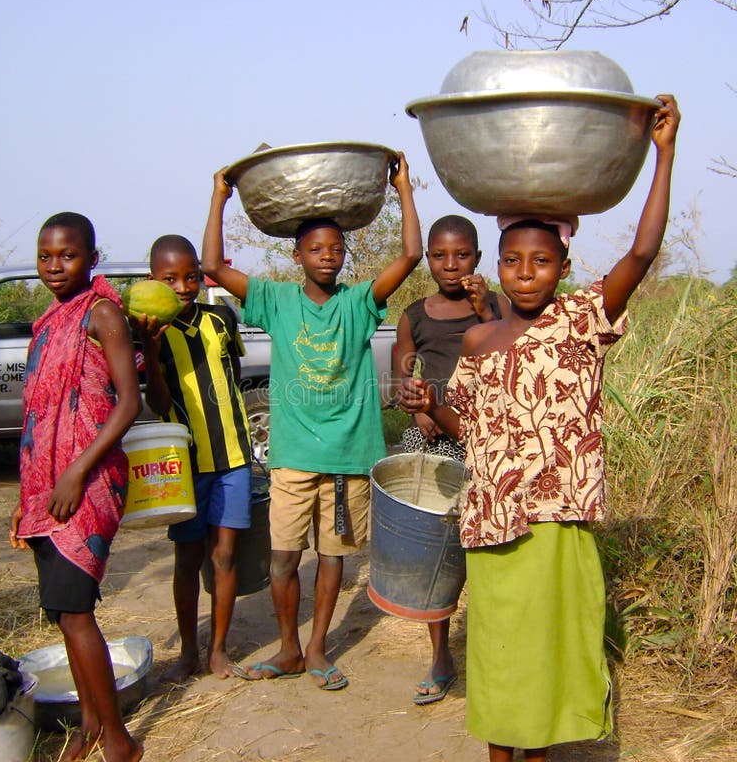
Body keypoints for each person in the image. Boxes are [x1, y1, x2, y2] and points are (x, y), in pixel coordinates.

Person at [400, 96, 680, 760]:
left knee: (551, 652)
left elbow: (642, 250)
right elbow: (464, 426)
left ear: (564, 268)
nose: (526, 274)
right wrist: (427, 403)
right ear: (497, 267)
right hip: (495, 518)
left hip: (560, 518)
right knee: (501, 656)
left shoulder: (582, 321)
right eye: (513, 262)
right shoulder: (477, 339)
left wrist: (664, 154)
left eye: (541, 262)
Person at [201, 152, 422, 690]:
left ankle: (318, 647)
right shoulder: (275, 301)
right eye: (317, 249)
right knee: (282, 560)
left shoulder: (359, 303)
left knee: (332, 558)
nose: (329, 257)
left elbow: (411, 253)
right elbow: (212, 267)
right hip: (294, 456)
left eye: (337, 248)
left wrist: (404, 188)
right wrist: (219, 195)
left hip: (348, 456)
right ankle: (288, 648)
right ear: (297, 255)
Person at [10, 212, 143, 762]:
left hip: (85, 483)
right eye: (45, 256)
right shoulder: (48, 322)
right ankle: (90, 726)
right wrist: (36, 490)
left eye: (67, 255)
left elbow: (128, 403)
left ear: (92, 258)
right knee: (65, 614)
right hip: (47, 486)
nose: (54, 266)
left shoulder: (102, 313)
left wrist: (75, 471)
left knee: (77, 610)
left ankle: (119, 742)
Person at [394, 214, 509, 705]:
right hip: (431, 438)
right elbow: (403, 366)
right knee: (434, 551)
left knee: (487, 548)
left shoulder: (497, 307)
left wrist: (486, 311)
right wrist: (413, 398)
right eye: (439, 255)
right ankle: (441, 656)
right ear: (428, 260)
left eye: (461, 255)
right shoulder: (415, 313)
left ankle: (493, 654)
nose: (450, 264)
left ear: (478, 260)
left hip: (484, 437)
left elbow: (510, 353)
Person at [135, 235, 253, 683]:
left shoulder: (222, 318)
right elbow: (157, 403)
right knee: (188, 558)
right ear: (153, 281)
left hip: (234, 457)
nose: (183, 286)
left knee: (225, 557)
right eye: (170, 279)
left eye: (190, 276)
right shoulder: (153, 334)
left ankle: (218, 651)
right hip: (183, 465)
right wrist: (149, 346)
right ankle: (188, 650)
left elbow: (233, 380)